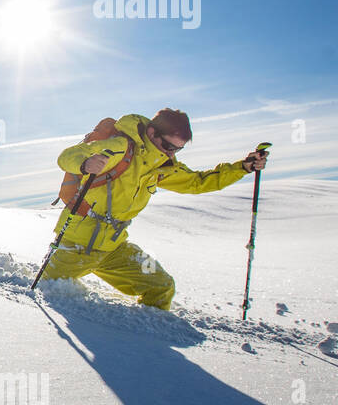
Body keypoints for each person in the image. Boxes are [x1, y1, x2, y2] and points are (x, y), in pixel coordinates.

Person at [38, 108, 268, 309]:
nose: (170, 153)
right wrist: (85, 163)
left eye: (177, 150)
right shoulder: (120, 148)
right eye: (168, 145)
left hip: (114, 248)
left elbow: (197, 181)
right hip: (76, 245)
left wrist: (243, 167)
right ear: (151, 133)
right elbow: (68, 155)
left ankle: (146, 345)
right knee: (44, 289)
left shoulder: (160, 166)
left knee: (162, 287)